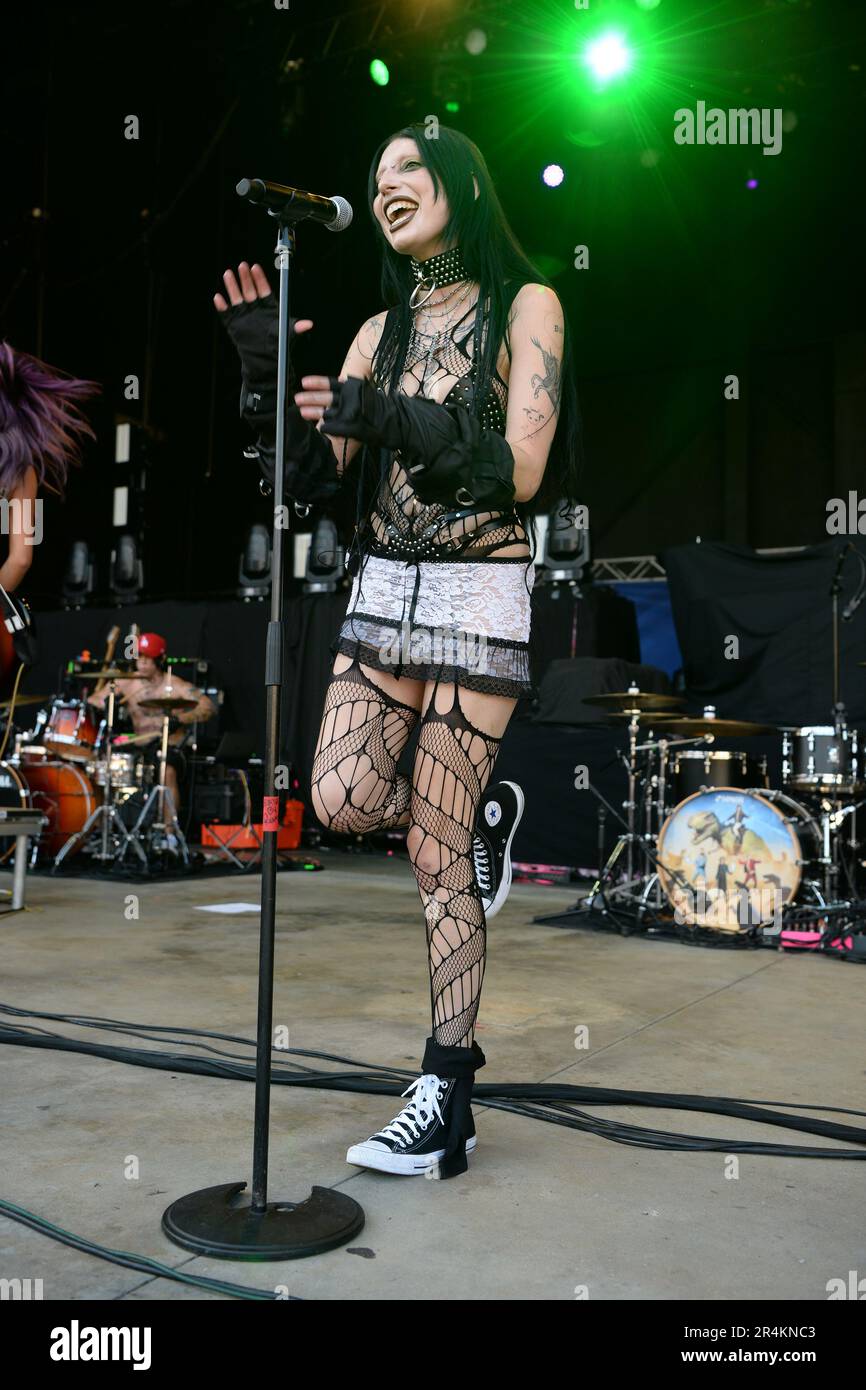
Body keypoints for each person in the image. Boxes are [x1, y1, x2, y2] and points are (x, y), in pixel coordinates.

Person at [216, 123, 581, 1179]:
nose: (387, 189)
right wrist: (262, 366)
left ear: (462, 181)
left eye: (407, 170)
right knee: (331, 799)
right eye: (374, 178)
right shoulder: (375, 329)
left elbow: (516, 469)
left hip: (475, 583)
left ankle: (443, 1092)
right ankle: (467, 828)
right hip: (383, 584)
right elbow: (310, 482)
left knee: (430, 851)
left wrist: (389, 417)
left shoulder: (527, 306)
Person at [87, 632, 216, 829]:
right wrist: (107, 704)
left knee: (167, 771)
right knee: (100, 765)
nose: (143, 663)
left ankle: (168, 832)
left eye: (149, 659)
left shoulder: (175, 684)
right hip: (139, 744)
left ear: (160, 660)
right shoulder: (127, 682)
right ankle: (102, 829)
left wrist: (180, 719)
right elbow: (93, 700)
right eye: (140, 657)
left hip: (168, 745)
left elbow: (207, 706)